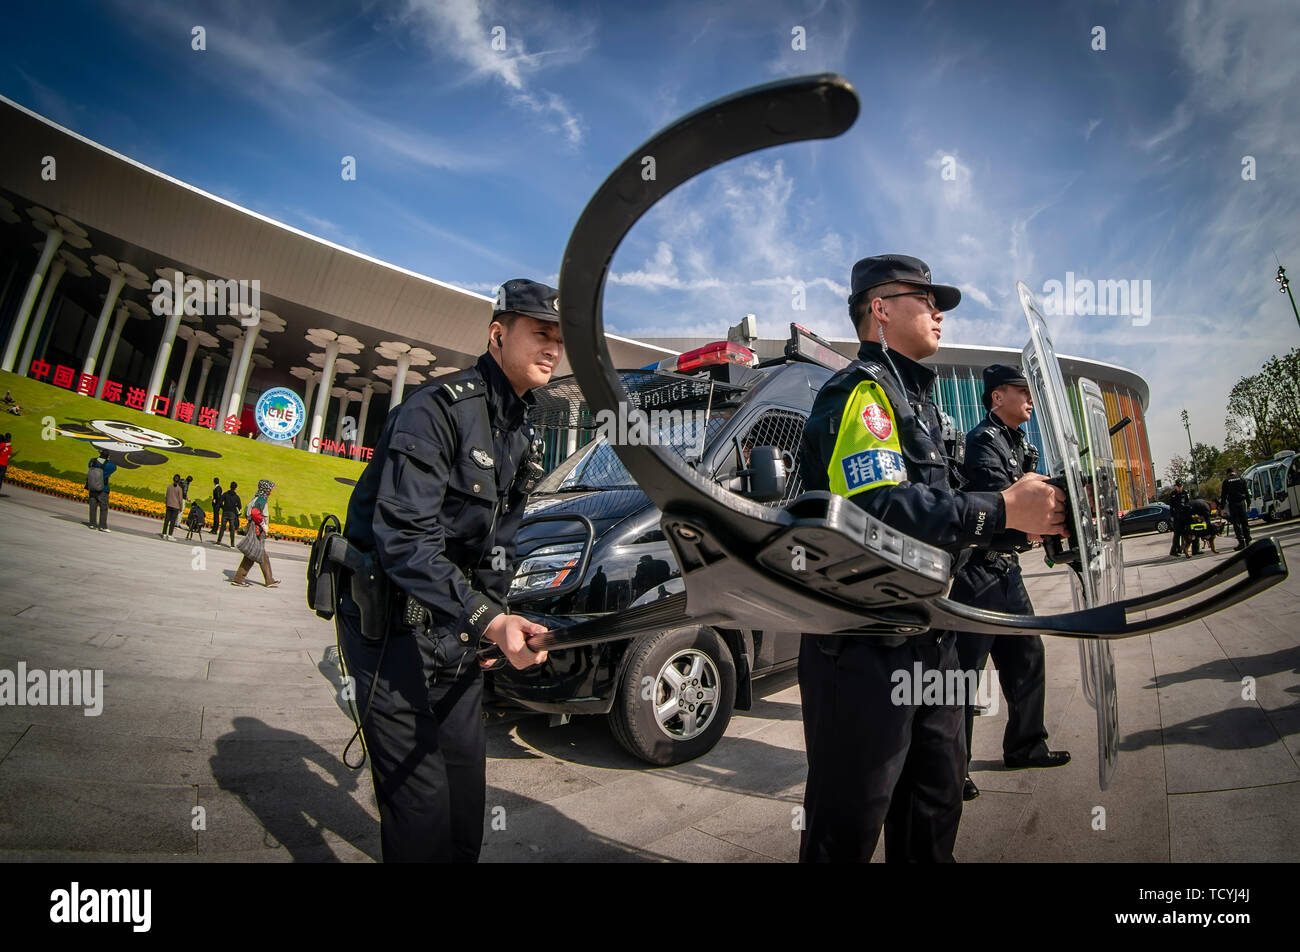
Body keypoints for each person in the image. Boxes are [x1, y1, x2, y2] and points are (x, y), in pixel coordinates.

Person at [797, 254, 1067, 863]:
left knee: (935, 805)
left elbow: (941, 515)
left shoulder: (919, 403)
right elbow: (882, 509)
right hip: (862, 648)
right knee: (848, 826)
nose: (938, 310)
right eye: (924, 297)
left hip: (929, 633)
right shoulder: (859, 394)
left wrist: (1028, 520)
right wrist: (999, 509)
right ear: (881, 310)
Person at [335, 277, 562, 863]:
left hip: (456, 637)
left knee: (464, 804)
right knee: (421, 814)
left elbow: (497, 543)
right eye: (541, 334)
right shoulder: (435, 410)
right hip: (391, 633)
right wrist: (489, 622)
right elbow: (404, 539)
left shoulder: (520, 427)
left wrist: (490, 627)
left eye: (559, 341)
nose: (553, 350)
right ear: (497, 334)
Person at [951, 365, 1071, 802]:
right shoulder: (984, 441)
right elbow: (999, 508)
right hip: (977, 572)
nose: (1029, 396)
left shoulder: (1019, 442)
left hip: (1006, 571)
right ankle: (951, 770)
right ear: (996, 397)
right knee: (963, 677)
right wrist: (1040, 519)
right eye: (1021, 390)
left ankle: (1025, 746)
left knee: (1026, 657)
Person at [231, 479, 279, 586]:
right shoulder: (261, 499)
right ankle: (239, 579)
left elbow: (247, 512)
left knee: (259, 555)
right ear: (266, 490)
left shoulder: (256, 498)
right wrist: (263, 524)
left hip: (253, 527)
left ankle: (269, 580)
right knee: (254, 554)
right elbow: (255, 512)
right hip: (257, 528)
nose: (271, 491)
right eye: (270, 489)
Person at [1219, 468, 1252, 551]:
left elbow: (1223, 496)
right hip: (1242, 503)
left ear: (1227, 474)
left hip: (1233, 505)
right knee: (1245, 523)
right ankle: (1248, 541)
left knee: (1236, 524)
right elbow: (1247, 493)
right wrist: (1249, 504)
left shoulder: (1226, 482)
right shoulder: (1242, 479)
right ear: (1235, 473)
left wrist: (1222, 508)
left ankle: (1241, 543)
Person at [86, 450, 117, 532]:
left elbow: (90, 465)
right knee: (103, 508)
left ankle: (92, 524)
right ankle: (102, 526)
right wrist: (108, 460)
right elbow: (114, 468)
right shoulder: (109, 465)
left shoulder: (92, 461)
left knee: (93, 506)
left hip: (92, 486)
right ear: (108, 456)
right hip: (103, 488)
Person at [1168, 479, 1190, 557]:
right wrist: (1171, 516)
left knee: (1186, 534)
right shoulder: (1173, 494)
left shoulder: (1185, 493)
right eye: (1178, 487)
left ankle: (1184, 549)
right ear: (1175, 486)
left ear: (1182, 486)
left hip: (1184, 516)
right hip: (1177, 516)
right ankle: (1174, 550)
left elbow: (1188, 503)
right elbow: (1171, 506)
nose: (1179, 488)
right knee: (1177, 534)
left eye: (1180, 486)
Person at [217, 481, 241, 546]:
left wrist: (223, 507)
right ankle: (232, 544)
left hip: (225, 512)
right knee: (232, 529)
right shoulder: (236, 497)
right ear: (235, 488)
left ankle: (219, 541)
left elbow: (220, 502)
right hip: (232, 513)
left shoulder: (225, 494)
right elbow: (239, 506)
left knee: (222, 527)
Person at [162, 474, 184, 539]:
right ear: (179, 480)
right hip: (175, 507)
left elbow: (166, 496)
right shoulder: (179, 489)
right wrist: (181, 508)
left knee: (166, 520)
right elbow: (180, 499)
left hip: (169, 505)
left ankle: (164, 533)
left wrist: (166, 503)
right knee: (173, 521)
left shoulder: (169, 486)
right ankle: (170, 534)